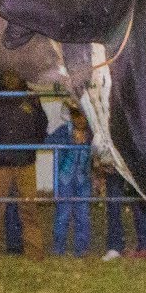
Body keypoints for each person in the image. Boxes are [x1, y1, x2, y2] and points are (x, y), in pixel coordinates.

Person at [0, 70, 47, 259]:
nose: (11, 77)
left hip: (25, 161)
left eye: (15, 73)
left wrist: (29, 147)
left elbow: (41, 126)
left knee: (29, 207)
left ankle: (34, 251)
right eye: (7, 73)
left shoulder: (32, 97)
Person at [46, 101, 92, 258]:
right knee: (63, 213)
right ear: (71, 116)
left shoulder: (92, 135)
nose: (80, 120)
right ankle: (59, 247)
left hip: (83, 179)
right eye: (76, 115)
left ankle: (82, 248)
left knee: (83, 214)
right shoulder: (63, 132)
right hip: (64, 178)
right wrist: (69, 142)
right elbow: (48, 142)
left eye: (83, 116)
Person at [101, 168, 146, 260]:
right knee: (114, 201)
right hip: (114, 162)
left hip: (133, 161)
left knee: (142, 199)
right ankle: (114, 247)